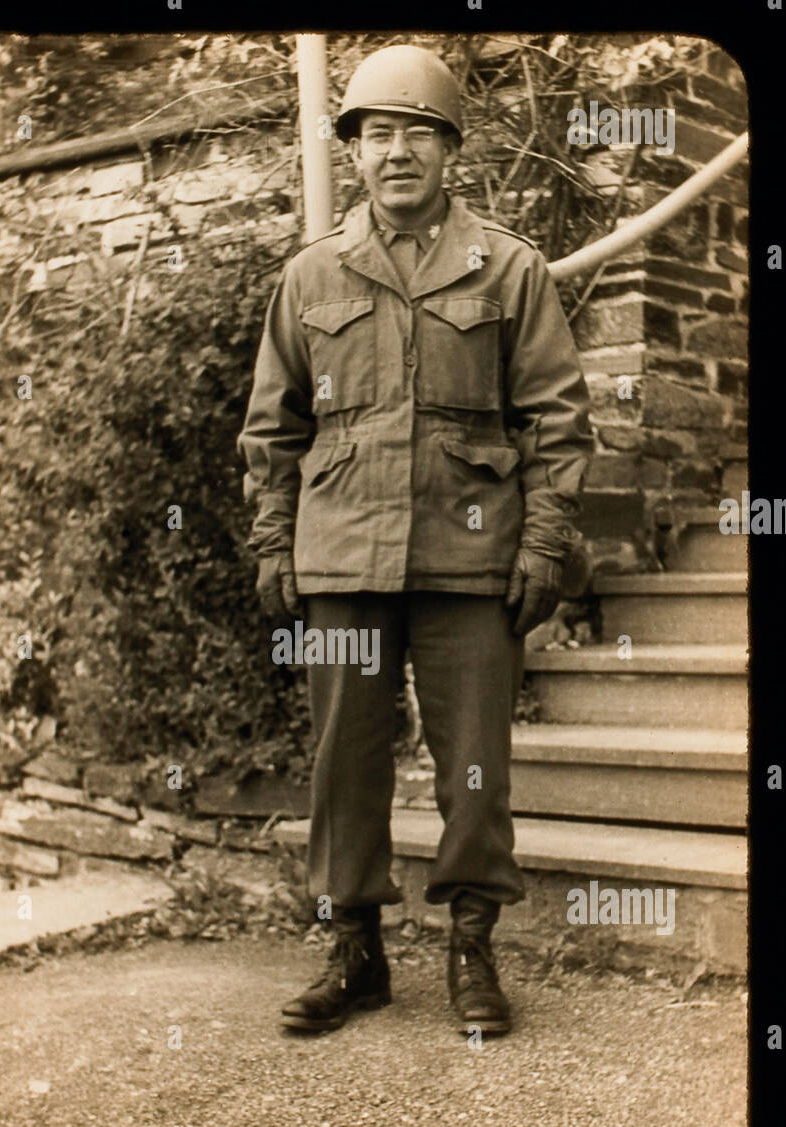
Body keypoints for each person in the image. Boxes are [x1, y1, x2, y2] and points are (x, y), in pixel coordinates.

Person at [238, 45, 593, 1037]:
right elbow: (272, 426)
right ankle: (354, 949)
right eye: (376, 136)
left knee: (475, 766)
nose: (396, 153)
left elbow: (557, 420)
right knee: (343, 759)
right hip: (344, 549)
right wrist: (274, 543)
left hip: (471, 557)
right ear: (352, 153)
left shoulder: (509, 269)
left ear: (450, 151)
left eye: (417, 135)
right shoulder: (310, 275)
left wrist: (543, 544)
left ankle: (472, 947)